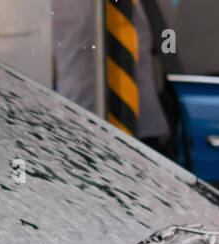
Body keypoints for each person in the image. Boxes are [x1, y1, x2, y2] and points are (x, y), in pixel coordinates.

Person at [52, 0, 169, 147]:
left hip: (76, 116)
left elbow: (50, 63)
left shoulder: (52, 5)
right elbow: (165, 39)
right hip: (142, 122)